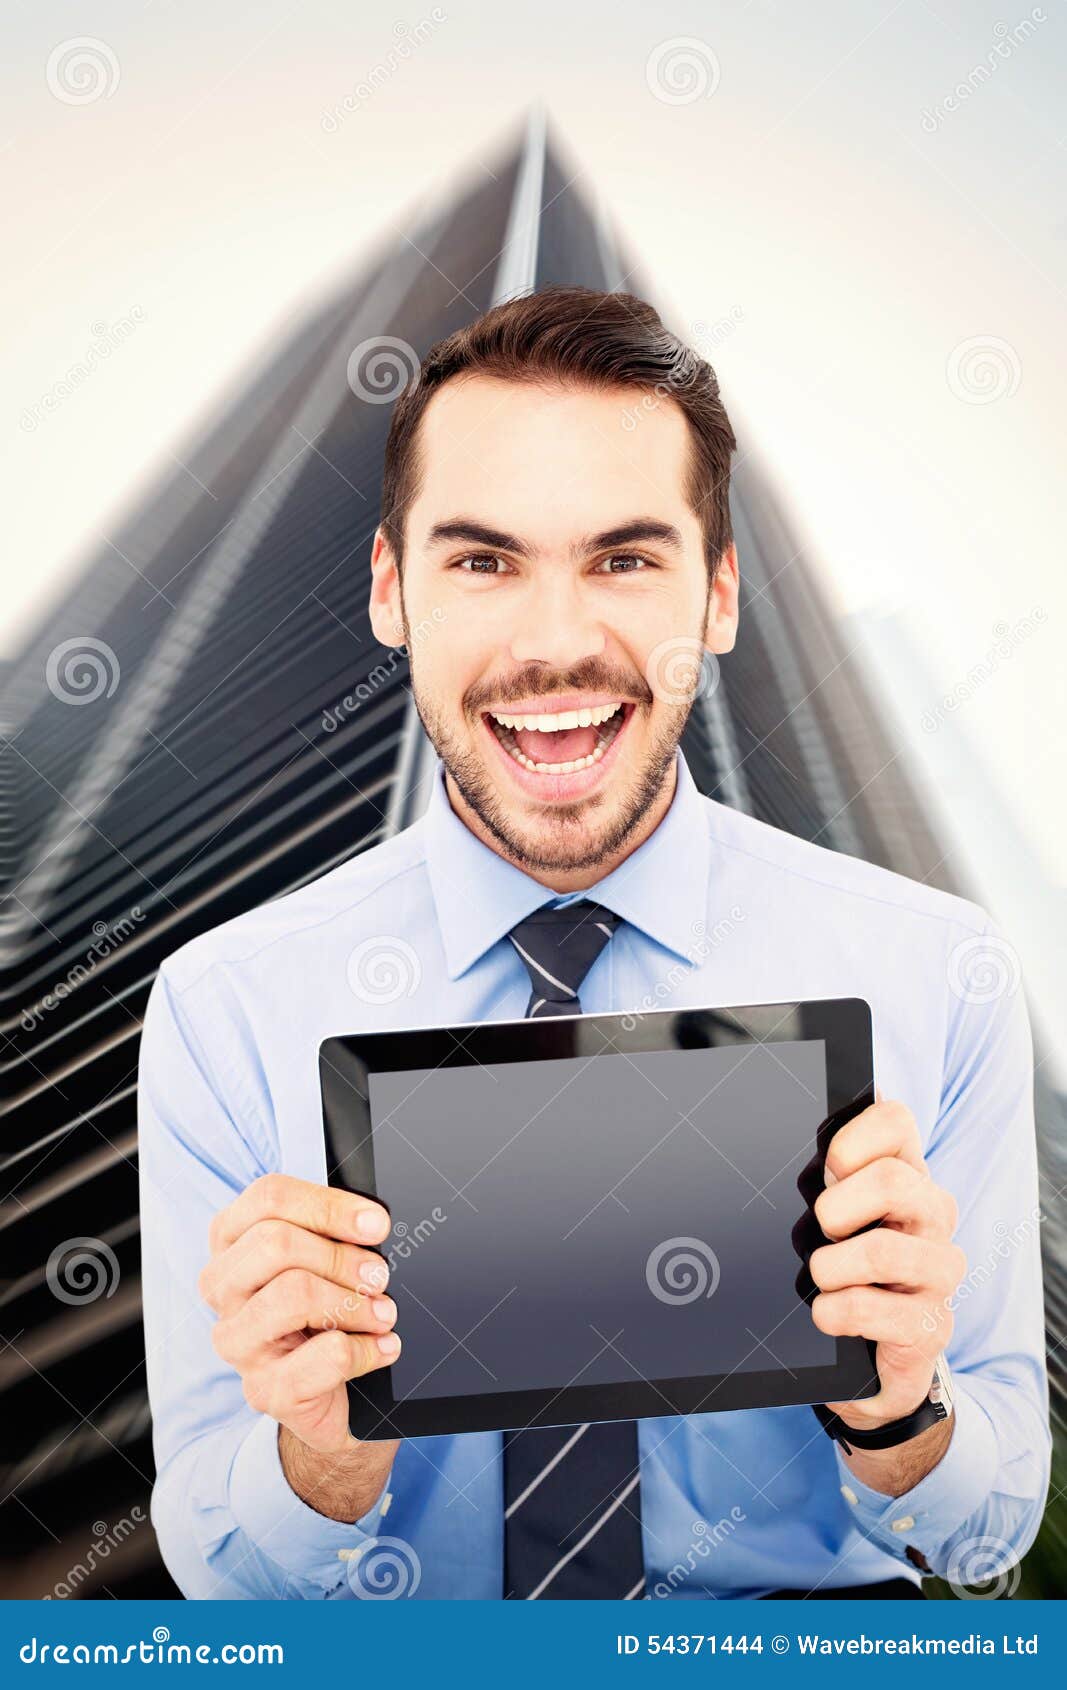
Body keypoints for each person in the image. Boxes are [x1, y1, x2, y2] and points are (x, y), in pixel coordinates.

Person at [138, 286, 1049, 1600]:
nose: (556, 643)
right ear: (393, 591)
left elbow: (987, 1537)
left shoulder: (938, 974)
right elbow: (222, 1578)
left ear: (719, 594)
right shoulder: (227, 1010)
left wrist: (903, 1406)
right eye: (483, 560)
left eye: (624, 559)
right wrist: (317, 1455)